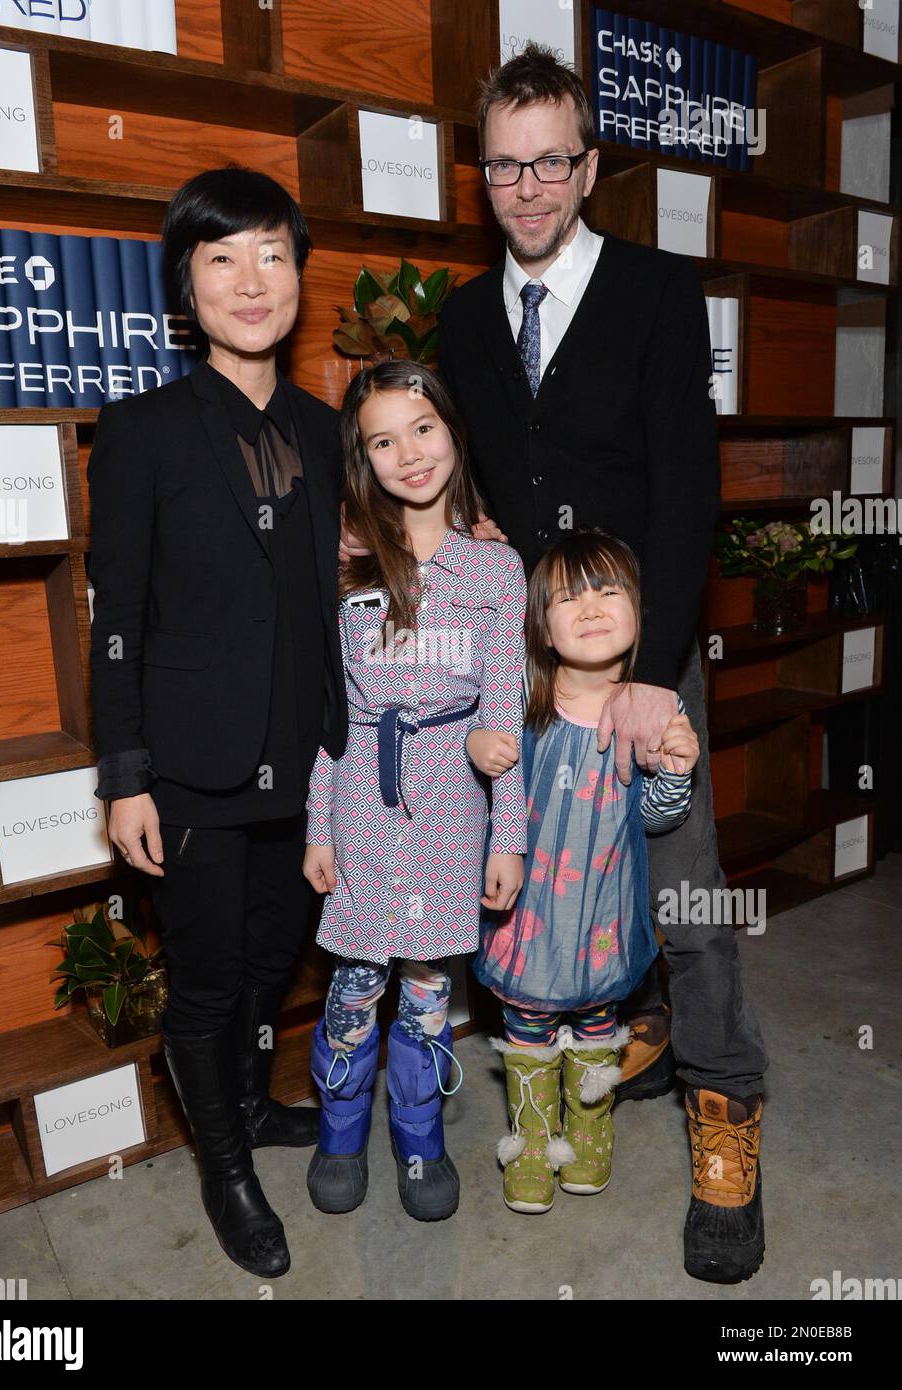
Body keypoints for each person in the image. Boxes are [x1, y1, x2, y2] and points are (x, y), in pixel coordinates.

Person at [435, 43, 768, 1281]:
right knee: (547, 874)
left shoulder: (658, 294)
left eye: (551, 162)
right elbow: (476, 476)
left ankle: (726, 1107)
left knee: (681, 885)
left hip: (637, 652)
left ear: (588, 166)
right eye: (504, 165)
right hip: (525, 671)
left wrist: (653, 668)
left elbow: (689, 491)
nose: (528, 188)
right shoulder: (467, 316)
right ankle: (594, 1037)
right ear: (483, 176)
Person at [86, 165, 348, 1279]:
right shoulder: (141, 431)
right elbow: (116, 616)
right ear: (185, 289)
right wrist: (125, 770)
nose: (252, 280)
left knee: (270, 957)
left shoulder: (330, 432)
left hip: (308, 760)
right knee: (203, 976)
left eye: (273, 254)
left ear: (297, 273)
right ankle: (225, 1167)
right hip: (187, 769)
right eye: (222, 257)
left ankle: (247, 1099)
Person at [302, 359, 527, 1222]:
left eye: (422, 428)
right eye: (382, 440)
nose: (408, 453)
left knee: (429, 991)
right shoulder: (349, 568)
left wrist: (507, 837)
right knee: (356, 983)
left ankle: (422, 1141)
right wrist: (320, 828)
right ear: (364, 460)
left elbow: (505, 720)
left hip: (452, 809)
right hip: (361, 800)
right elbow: (334, 719)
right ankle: (340, 1131)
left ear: (453, 434)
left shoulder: (495, 573)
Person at [468, 528, 697, 1213]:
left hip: (604, 912)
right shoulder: (521, 700)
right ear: (539, 624)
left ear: (640, 611)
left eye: (609, 590)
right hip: (530, 916)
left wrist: (676, 774)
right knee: (529, 1027)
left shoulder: (655, 710)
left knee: (598, 1023)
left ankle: (589, 1136)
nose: (591, 607)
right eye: (569, 597)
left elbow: (656, 819)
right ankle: (533, 1147)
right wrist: (476, 744)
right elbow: (477, 790)